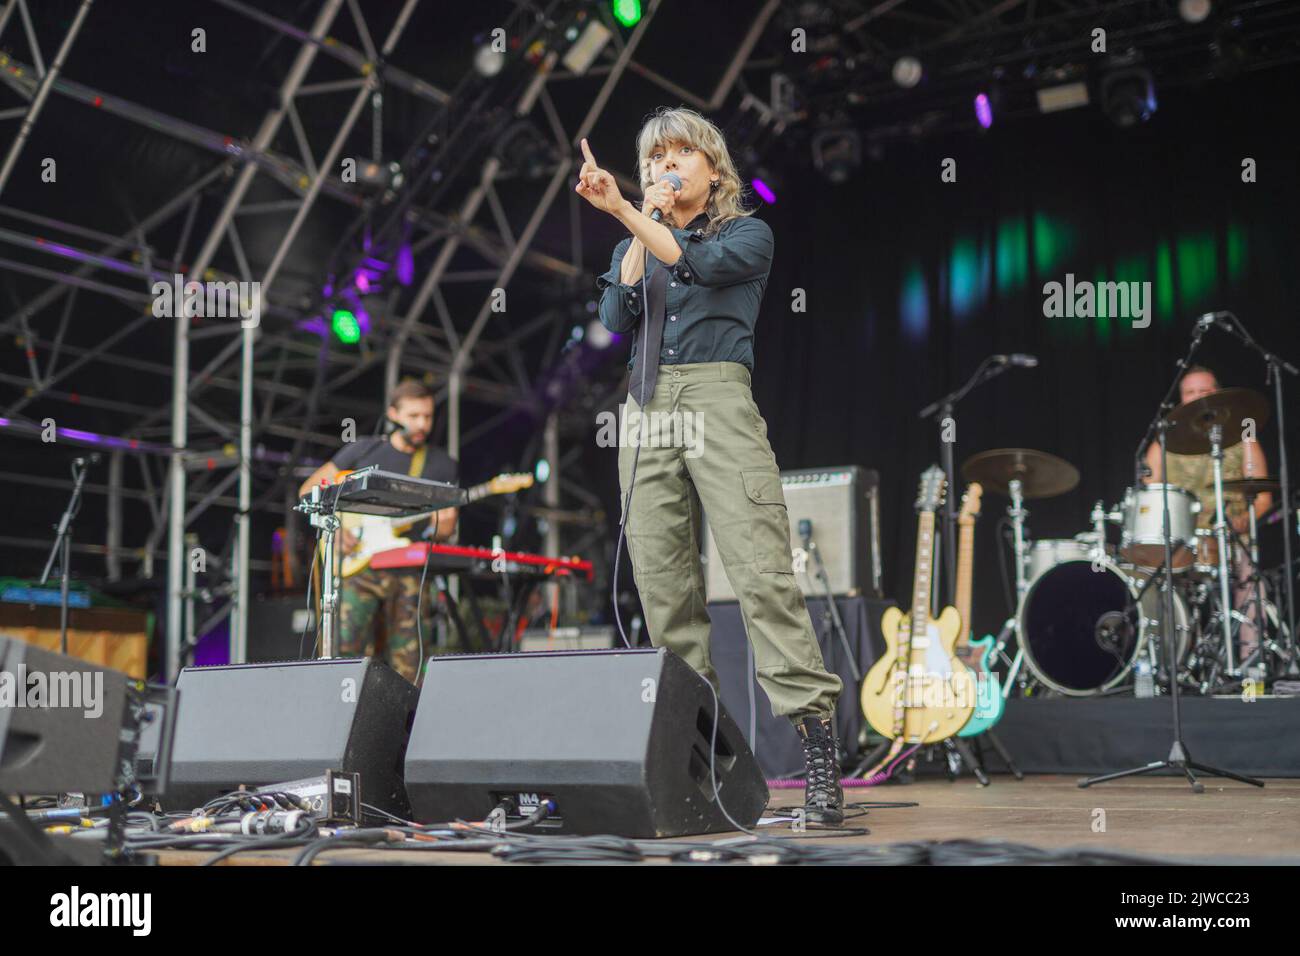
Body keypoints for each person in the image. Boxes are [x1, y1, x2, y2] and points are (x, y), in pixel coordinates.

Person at [577, 106, 845, 824]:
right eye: (653, 158)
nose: (665, 167)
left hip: (718, 399)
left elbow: (691, 261)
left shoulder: (745, 234)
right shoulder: (640, 236)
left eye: (678, 155)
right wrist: (629, 219)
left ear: (713, 166)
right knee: (664, 590)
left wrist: (634, 212)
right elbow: (616, 316)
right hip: (645, 409)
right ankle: (708, 761)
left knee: (761, 574)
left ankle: (818, 749)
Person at [298, 379, 459, 682]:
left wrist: (444, 525)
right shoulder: (364, 450)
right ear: (394, 415)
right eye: (414, 416)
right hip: (359, 567)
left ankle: (407, 722)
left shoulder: (442, 465)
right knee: (347, 653)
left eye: (427, 416)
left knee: (410, 659)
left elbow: (446, 527)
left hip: (408, 570)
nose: (422, 424)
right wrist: (339, 526)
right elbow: (309, 491)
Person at [1143, 365, 1272, 664]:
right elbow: (1147, 491)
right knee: (1148, 572)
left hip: (1232, 537)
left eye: (1206, 391)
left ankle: (1252, 666)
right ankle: (1161, 663)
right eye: (1191, 392)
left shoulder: (1243, 436)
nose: (1199, 398)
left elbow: (1264, 496)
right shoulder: (1165, 441)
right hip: (1182, 540)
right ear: (1182, 400)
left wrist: (1244, 522)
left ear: (1219, 395)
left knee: (1251, 577)